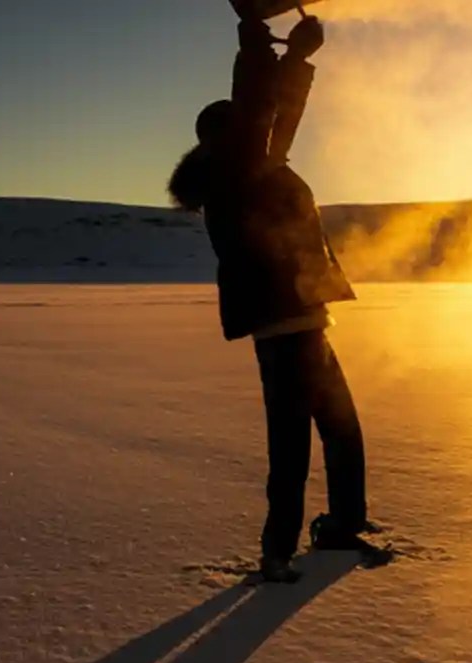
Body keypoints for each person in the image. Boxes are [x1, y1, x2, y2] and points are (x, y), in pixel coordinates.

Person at [168, 4, 382, 582]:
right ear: (225, 138)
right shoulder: (236, 171)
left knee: (339, 428)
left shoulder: (255, 166)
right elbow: (262, 103)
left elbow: (278, 114)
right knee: (293, 440)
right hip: (285, 324)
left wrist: (297, 57)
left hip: (304, 318)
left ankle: (341, 521)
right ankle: (277, 551)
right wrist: (258, 45)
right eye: (244, 124)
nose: (257, 126)